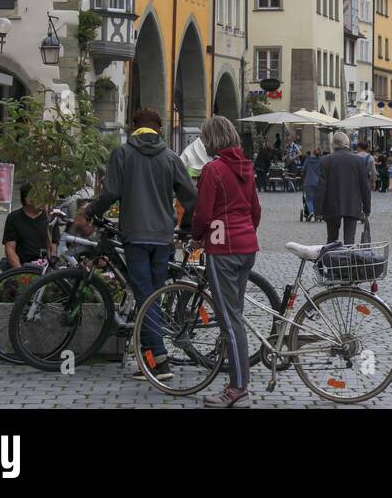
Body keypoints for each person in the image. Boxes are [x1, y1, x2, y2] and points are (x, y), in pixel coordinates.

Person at [86, 108, 197, 380]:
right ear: (158, 129)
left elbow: (111, 191)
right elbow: (191, 196)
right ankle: (150, 359)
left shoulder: (122, 153)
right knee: (153, 296)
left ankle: (159, 361)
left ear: (134, 127)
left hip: (135, 236)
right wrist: (186, 227)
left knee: (146, 298)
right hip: (162, 237)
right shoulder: (171, 157)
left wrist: (91, 211)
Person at [189, 115, 261, 408]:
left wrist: (196, 238)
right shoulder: (246, 167)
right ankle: (238, 379)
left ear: (212, 140)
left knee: (229, 321)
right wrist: (244, 233)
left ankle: (238, 388)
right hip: (247, 247)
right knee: (236, 316)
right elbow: (255, 211)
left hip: (222, 251)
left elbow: (203, 214)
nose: (202, 143)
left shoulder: (213, 170)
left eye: (204, 138)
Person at [316, 131, 371, 245]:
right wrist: (367, 208)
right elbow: (365, 186)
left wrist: (319, 210)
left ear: (333, 144)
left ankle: (332, 261)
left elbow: (321, 187)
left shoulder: (325, 160)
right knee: (349, 240)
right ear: (347, 143)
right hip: (352, 204)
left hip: (331, 205)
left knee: (331, 239)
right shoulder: (358, 161)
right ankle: (348, 261)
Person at [0, 183, 54, 271]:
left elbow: (54, 246)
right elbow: (9, 248)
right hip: (21, 264)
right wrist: (20, 272)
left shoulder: (50, 217)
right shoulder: (14, 218)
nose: (44, 201)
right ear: (28, 199)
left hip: (45, 268)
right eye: (40, 197)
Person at [300, 148, 322, 221]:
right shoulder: (321, 160)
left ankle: (311, 211)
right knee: (318, 198)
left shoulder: (308, 159)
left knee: (309, 198)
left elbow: (303, 169)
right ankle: (318, 213)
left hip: (309, 181)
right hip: (319, 182)